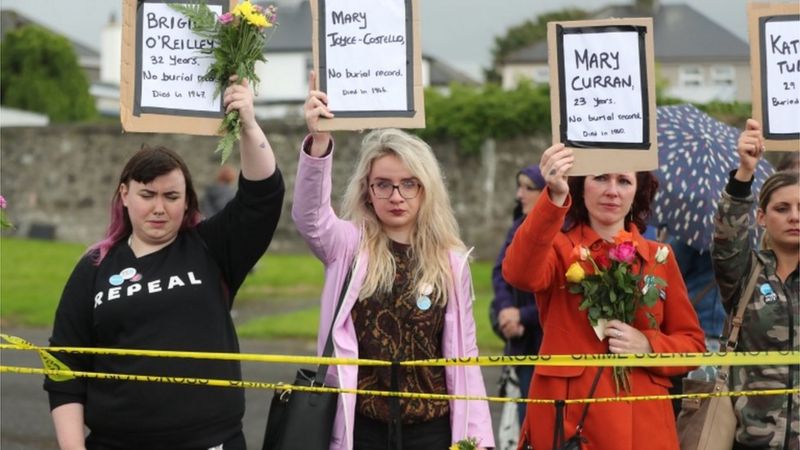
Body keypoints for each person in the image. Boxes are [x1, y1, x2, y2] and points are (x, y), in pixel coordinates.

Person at [43, 77, 285, 450]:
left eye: (171, 196)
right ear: (125, 195)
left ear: (187, 201)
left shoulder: (211, 247)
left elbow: (262, 197)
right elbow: (63, 367)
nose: (159, 208)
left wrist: (249, 125)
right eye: (147, 194)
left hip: (212, 442)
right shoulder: (94, 267)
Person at [294, 72, 494, 450]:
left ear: (425, 189)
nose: (396, 196)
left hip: (433, 431)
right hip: (363, 428)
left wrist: (478, 439)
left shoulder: (450, 260)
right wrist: (319, 142)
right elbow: (310, 217)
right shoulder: (348, 245)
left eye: (409, 183)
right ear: (367, 191)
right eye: (383, 184)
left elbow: (465, 355)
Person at [502, 143, 706, 450]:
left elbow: (692, 344)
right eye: (600, 178)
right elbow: (519, 273)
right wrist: (553, 196)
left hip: (645, 427)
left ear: (637, 191)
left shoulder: (660, 257)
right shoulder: (558, 247)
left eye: (624, 180)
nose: (612, 191)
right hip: (570, 424)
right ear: (580, 185)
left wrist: (649, 345)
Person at [711, 118, 799, 450]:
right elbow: (726, 237)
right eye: (782, 208)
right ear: (761, 217)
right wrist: (745, 172)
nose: (794, 216)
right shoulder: (745, 272)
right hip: (752, 440)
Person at [489, 164, 544, 426]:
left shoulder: (563, 231)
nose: (520, 195)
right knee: (525, 419)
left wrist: (522, 315)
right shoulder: (518, 227)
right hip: (521, 341)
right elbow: (499, 272)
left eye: (529, 188)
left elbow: (559, 294)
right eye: (519, 187)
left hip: (547, 343)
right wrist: (506, 311)